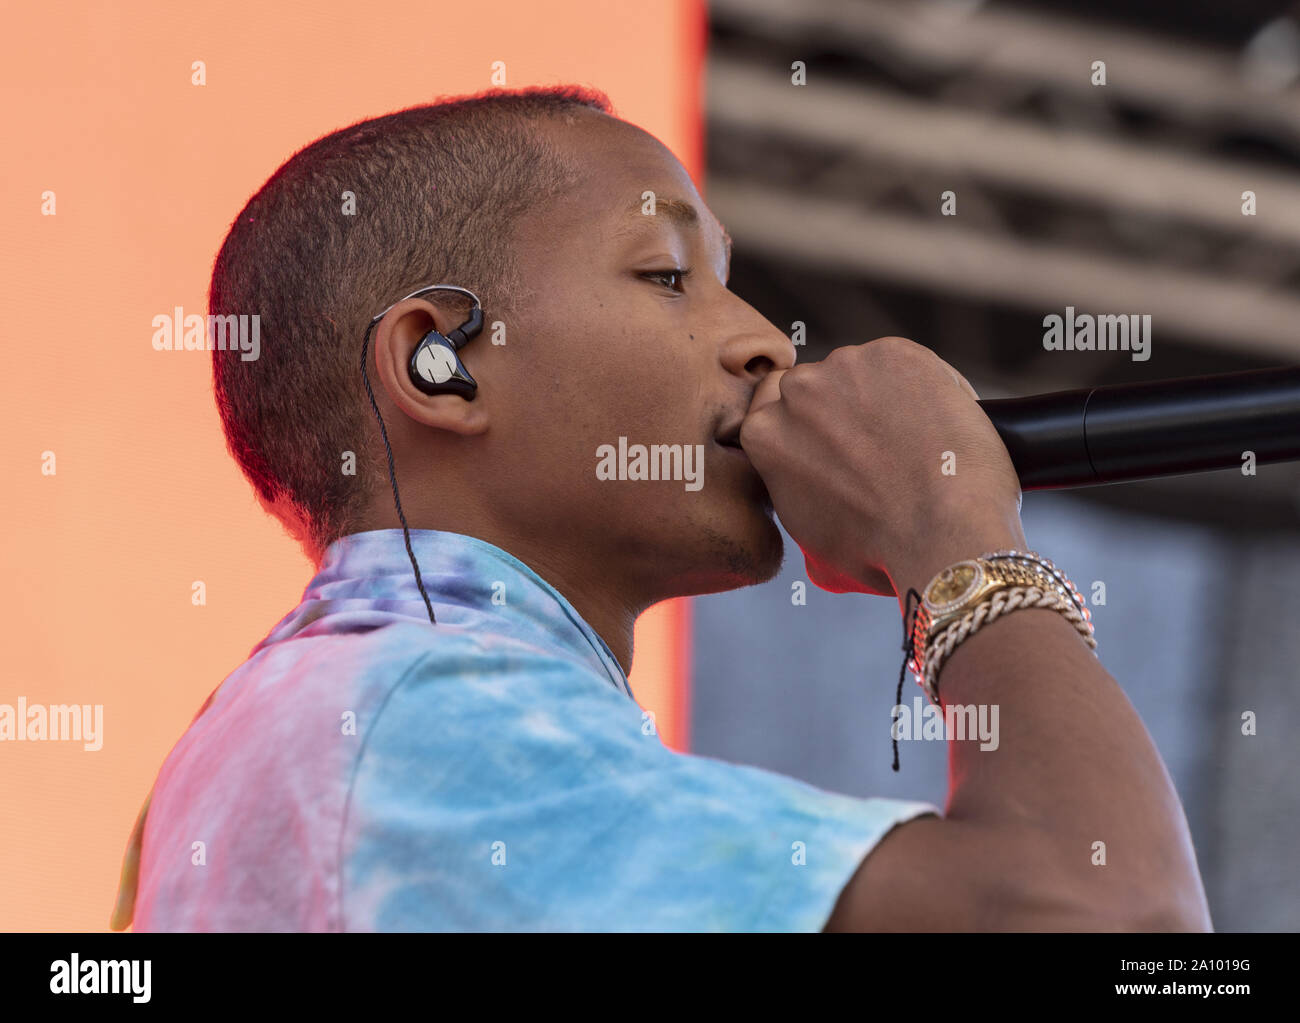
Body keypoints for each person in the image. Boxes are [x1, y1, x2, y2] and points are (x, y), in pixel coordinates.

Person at [111, 85, 1211, 932]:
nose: (766, 344)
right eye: (667, 276)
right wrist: (957, 541)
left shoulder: (333, 717)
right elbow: (1113, 923)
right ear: (442, 362)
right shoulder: (409, 718)